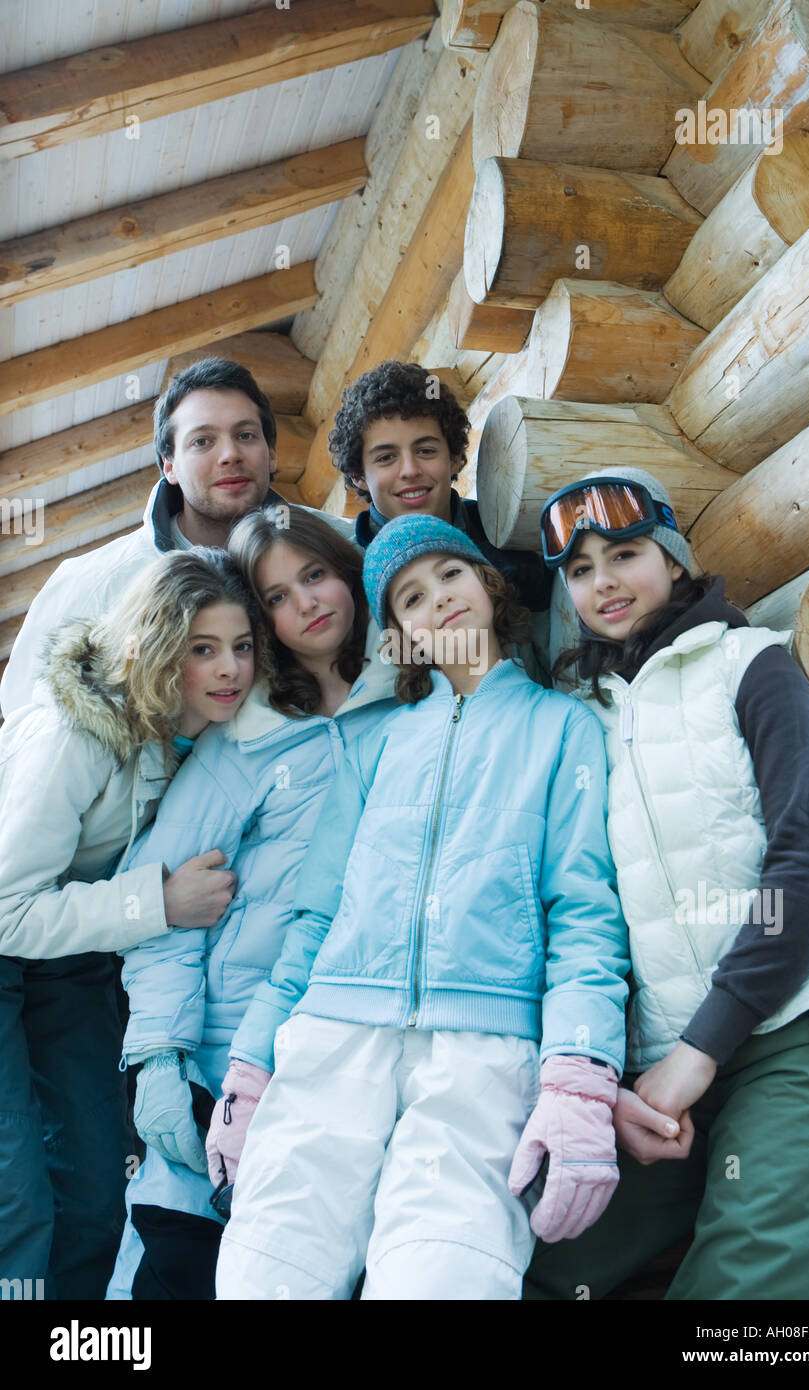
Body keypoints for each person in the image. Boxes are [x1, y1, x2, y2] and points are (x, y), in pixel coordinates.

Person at [213, 513, 630, 1301]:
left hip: (484, 1052)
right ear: (397, 631)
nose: (436, 599)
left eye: (450, 575)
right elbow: (316, 916)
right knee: (264, 1276)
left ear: (488, 585)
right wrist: (251, 1061)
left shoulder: (562, 727)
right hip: (334, 1040)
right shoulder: (372, 745)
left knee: (442, 1279)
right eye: (409, 596)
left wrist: (578, 1071)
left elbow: (584, 914)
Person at [524, 466, 809, 1300]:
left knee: (741, 1300)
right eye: (579, 570)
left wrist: (698, 1053)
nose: (602, 581)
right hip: (660, 1069)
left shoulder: (751, 665)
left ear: (673, 560)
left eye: (626, 553)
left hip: (799, 1031)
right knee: (536, 1266)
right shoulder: (584, 715)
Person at [106, 506, 398, 1301]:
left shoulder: (414, 713)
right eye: (276, 596)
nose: (305, 603)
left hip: (353, 1059)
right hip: (220, 1057)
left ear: (349, 573)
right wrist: (160, 1054)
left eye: (315, 575)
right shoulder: (248, 740)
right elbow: (166, 908)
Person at [0, 548, 262, 1300]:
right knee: (16, 1193)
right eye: (202, 650)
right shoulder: (70, 738)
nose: (229, 670)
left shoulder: (194, 736)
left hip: (70, 954)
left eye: (240, 647)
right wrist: (159, 904)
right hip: (14, 932)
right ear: (152, 649)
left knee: (92, 1181)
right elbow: (7, 909)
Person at [1, 357, 290, 718]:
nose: (230, 455)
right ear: (169, 465)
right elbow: (25, 716)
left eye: (245, 435)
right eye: (202, 441)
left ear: (273, 454)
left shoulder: (331, 555)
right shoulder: (92, 582)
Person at [329, 359, 553, 677]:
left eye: (426, 451)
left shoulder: (511, 542)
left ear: (455, 457)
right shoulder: (343, 569)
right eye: (386, 458)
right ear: (358, 476)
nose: (409, 470)